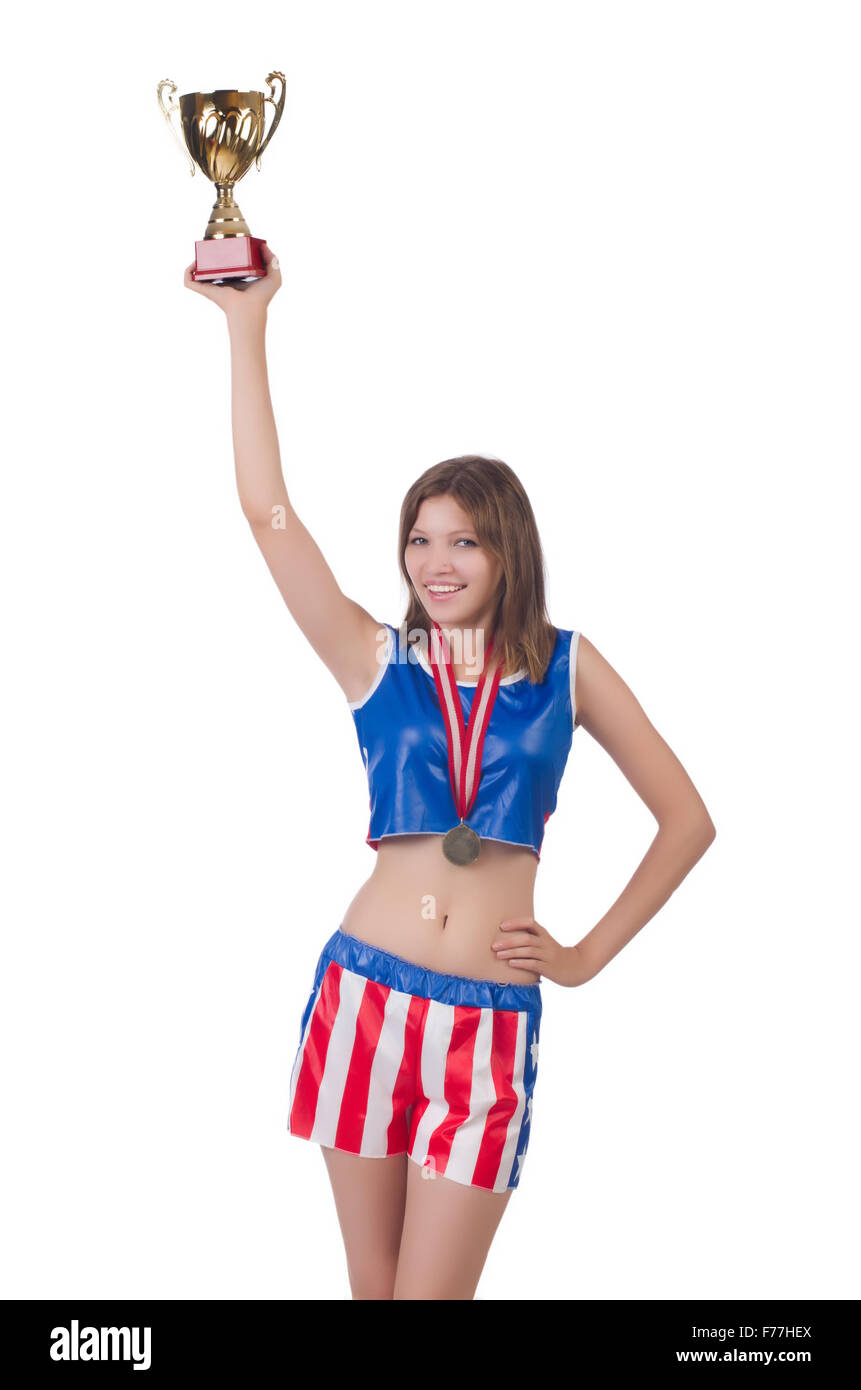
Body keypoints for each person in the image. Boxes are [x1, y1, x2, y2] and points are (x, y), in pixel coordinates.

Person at [184, 244, 717, 1300]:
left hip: (487, 1019)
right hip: (364, 996)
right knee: (372, 1294)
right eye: (421, 539)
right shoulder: (372, 656)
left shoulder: (568, 666)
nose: (437, 562)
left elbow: (688, 819)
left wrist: (586, 955)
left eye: (464, 541)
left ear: (506, 552)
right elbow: (268, 515)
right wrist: (245, 328)